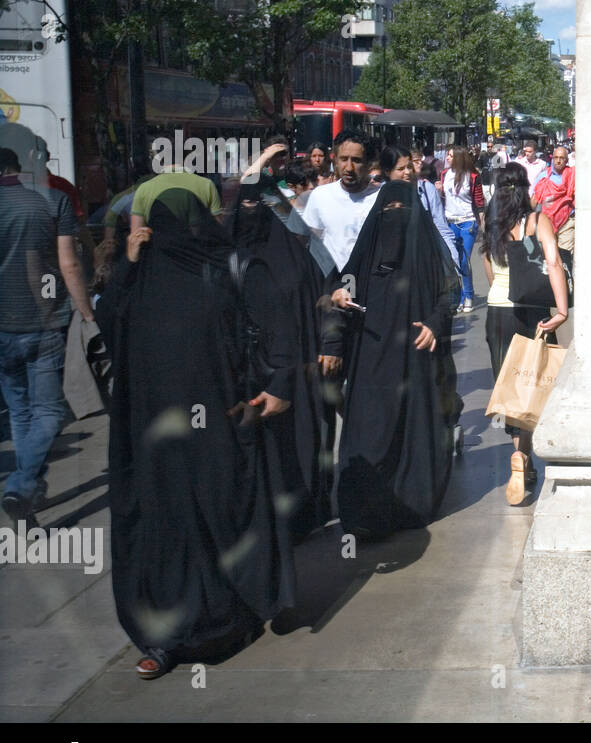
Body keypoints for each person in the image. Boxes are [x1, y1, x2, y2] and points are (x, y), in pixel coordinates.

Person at [99, 189, 296, 679]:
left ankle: (220, 620)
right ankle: (172, 636)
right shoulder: (160, 274)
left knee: (198, 521)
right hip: (186, 435)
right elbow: (108, 326)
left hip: (193, 430)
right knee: (189, 521)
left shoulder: (207, 271)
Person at [329, 180, 462, 539]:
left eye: (402, 212)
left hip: (417, 357)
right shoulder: (367, 253)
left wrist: (435, 324)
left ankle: (412, 501)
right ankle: (364, 511)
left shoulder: (429, 255)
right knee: (369, 429)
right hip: (371, 357)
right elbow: (342, 285)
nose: (395, 219)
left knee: (414, 425)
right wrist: (340, 296)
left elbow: (449, 294)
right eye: (387, 212)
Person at [229, 174, 333, 543]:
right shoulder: (228, 254)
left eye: (259, 203)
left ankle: (304, 512)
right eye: (244, 204)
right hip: (247, 372)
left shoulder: (300, 251)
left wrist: (326, 346)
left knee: (300, 442)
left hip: (296, 368)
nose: (251, 212)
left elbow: (325, 292)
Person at [0, 148, 96, 523]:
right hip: (44, 321)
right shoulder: (52, 200)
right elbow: (68, 263)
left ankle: (29, 492)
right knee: (50, 411)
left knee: (20, 412)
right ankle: (22, 485)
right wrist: (86, 312)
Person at [482, 163, 569, 504]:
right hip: (532, 311)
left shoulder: (490, 225)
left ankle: (519, 457)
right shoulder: (536, 221)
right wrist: (561, 310)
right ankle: (525, 457)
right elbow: (553, 262)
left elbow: (489, 269)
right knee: (533, 383)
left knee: (510, 386)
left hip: (498, 311)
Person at [299, 130, 382, 274]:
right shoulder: (320, 196)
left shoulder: (381, 197)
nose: (349, 168)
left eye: (356, 160)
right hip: (332, 285)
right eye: (344, 159)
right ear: (335, 160)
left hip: (370, 283)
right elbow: (308, 242)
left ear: (368, 163)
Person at [440, 147, 486, 313]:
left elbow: (479, 202)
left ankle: (468, 295)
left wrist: (482, 225)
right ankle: (458, 297)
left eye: (451, 155)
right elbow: (443, 198)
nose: (448, 157)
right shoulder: (444, 174)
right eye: (448, 154)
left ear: (459, 158)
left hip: (467, 222)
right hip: (449, 222)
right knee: (452, 261)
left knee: (463, 261)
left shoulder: (472, 177)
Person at [533, 144, 576, 253]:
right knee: (548, 255)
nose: (558, 161)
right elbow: (533, 200)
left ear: (566, 160)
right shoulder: (543, 176)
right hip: (547, 222)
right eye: (556, 158)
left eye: (561, 158)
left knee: (565, 255)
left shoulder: (573, 175)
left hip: (566, 222)